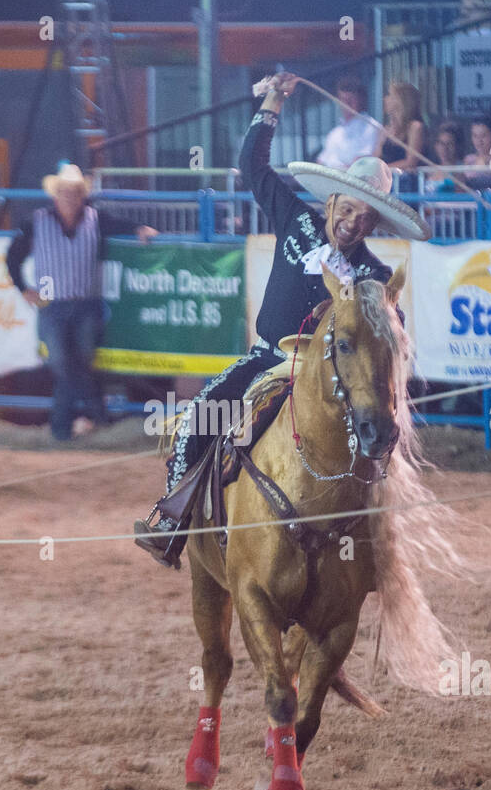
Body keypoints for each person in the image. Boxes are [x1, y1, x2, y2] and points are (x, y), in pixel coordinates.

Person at [133, 72, 431, 569]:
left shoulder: (374, 275)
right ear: (333, 200)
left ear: (374, 224)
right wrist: (274, 100)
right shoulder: (296, 218)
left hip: (331, 379)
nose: (355, 222)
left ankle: (374, 551)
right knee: (201, 415)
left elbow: (387, 332)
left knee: (375, 444)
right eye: (350, 208)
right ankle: (173, 519)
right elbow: (252, 166)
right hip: (269, 357)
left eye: (367, 218)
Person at [4, 162, 157, 441]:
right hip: (51, 305)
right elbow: (13, 255)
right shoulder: (36, 222)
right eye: (64, 192)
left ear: (81, 195)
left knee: (78, 363)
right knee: (63, 363)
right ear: (55, 195)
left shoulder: (95, 219)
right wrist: (22, 288)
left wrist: (140, 228)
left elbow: (121, 225)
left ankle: (63, 428)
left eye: (74, 192)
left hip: (85, 304)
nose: (69, 197)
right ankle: (95, 416)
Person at [315, 76, 381, 171]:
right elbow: (321, 160)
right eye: (343, 100)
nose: (346, 104)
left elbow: (363, 160)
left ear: (361, 100)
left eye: (351, 100)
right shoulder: (335, 133)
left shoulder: (372, 127)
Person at [378, 81, 428, 179]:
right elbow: (377, 156)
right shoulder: (386, 130)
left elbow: (411, 161)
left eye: (390, 95)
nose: (385, 99)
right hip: (387, 181)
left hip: (407, 181)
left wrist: (383, 169)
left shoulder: (415, 127)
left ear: (401, 100)